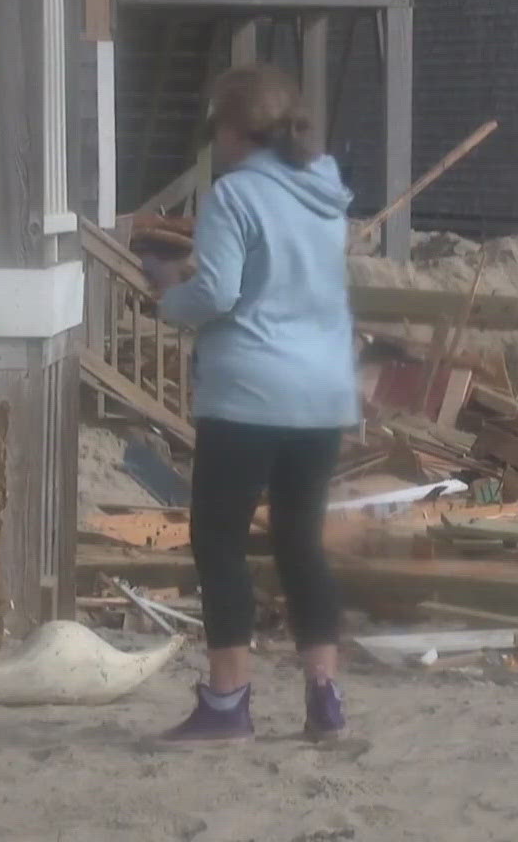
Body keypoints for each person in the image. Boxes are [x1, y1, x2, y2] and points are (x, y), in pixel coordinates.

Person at [149, 63, 359, 742]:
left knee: (219, 541)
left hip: (249, 392)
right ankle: (324, 696)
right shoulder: (325, 192)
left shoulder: (235, 194)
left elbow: (220, 293)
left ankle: (227, 701)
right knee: (301, 543)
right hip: (322, 393)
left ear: (235, 130)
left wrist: (167, 295)